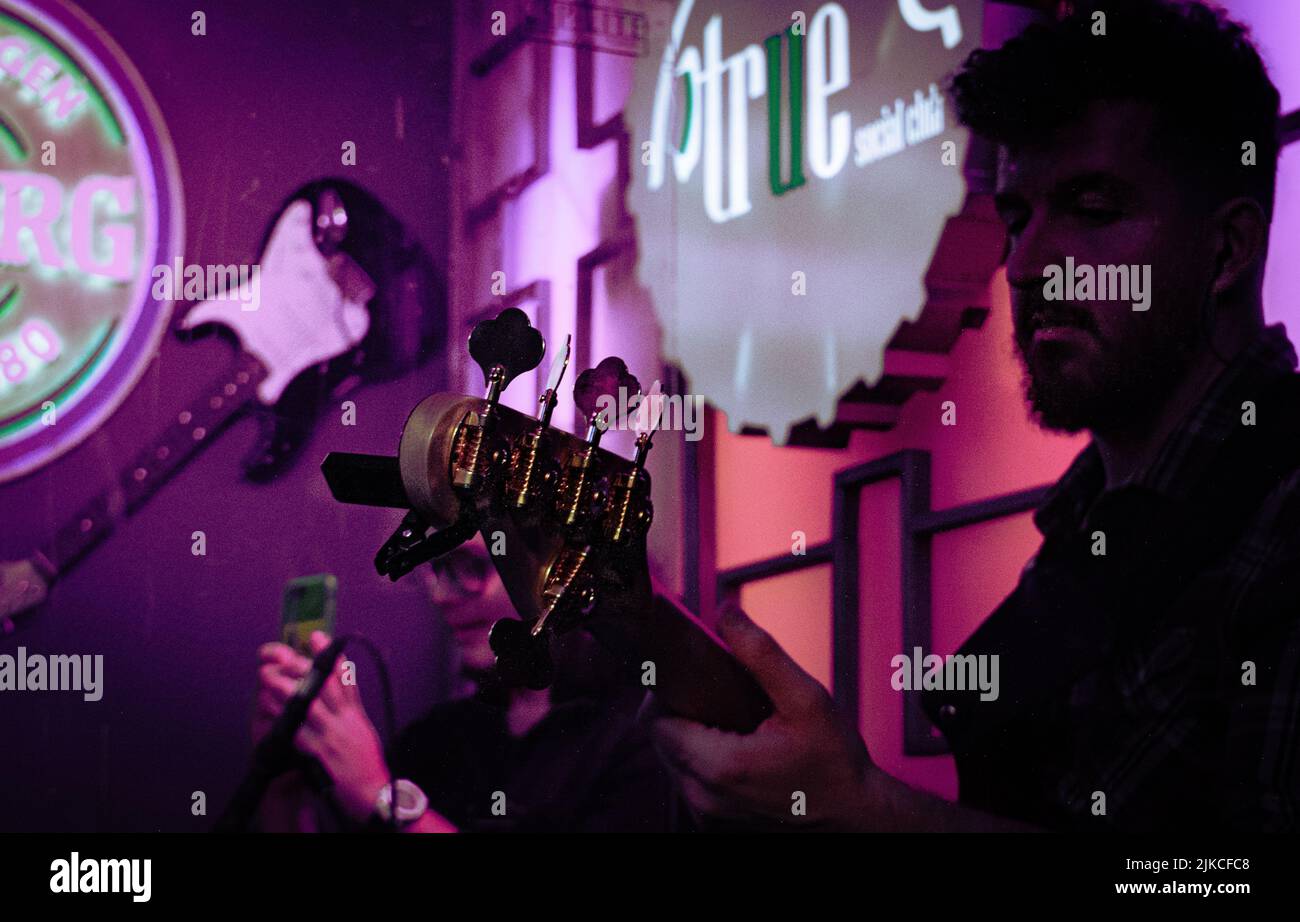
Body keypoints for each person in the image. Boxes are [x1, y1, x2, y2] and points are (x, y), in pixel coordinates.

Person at [651, 0, 1300, 832]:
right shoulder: (1089, 514)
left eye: (1092, 210)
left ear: (1226, 250)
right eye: (1019, 217)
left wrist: (867, 809)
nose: (1026, 263)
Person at [252, 536, 677, 832]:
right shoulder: (440, 737)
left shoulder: (641, 737)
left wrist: (380, 795)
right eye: (437, 569)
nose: (442, 595)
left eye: (472, 566)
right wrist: (279, 783)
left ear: (560, 576)